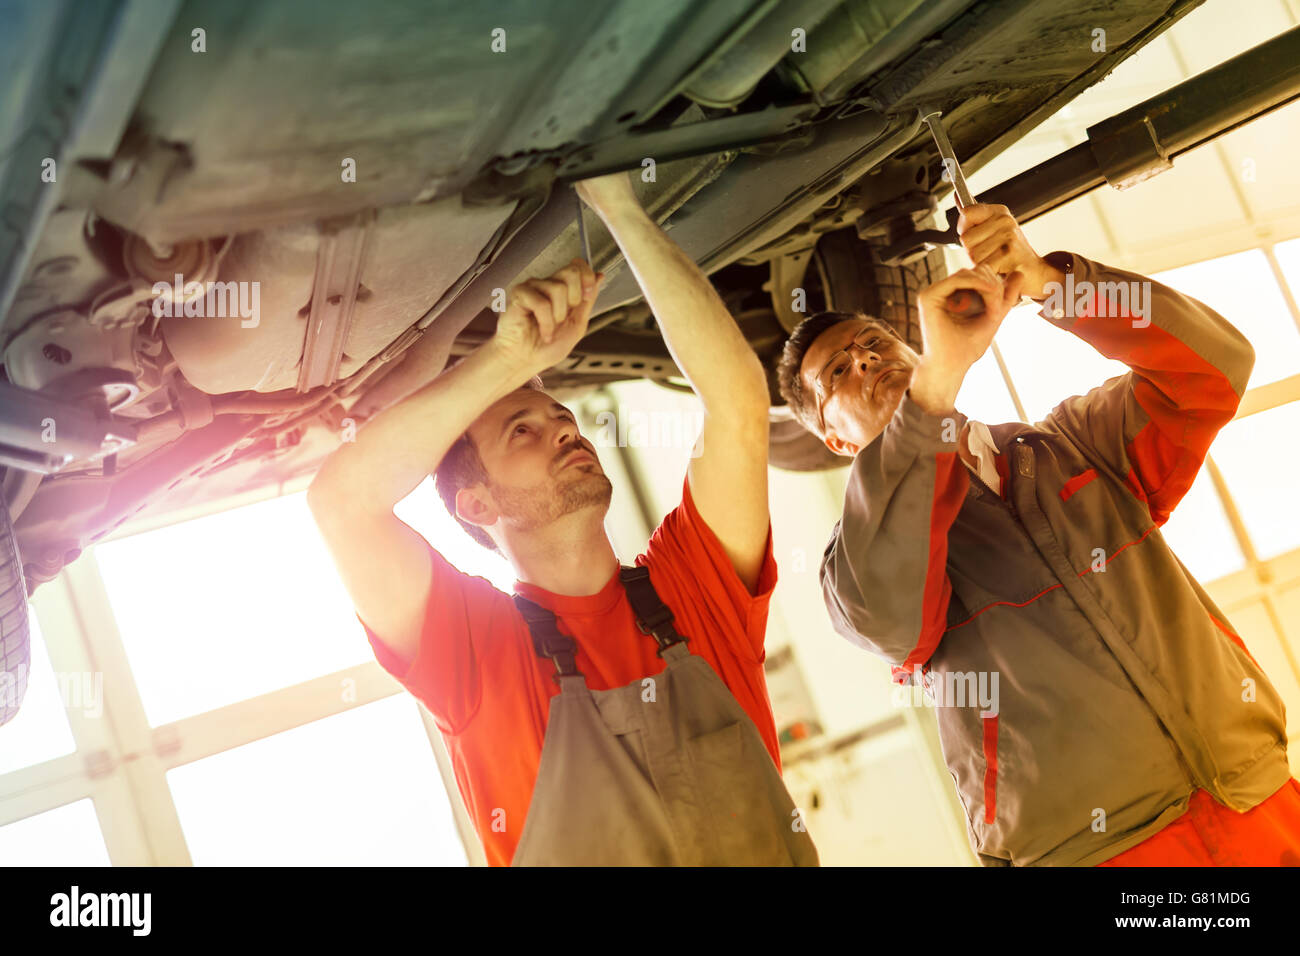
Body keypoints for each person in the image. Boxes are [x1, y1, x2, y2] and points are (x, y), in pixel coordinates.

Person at [309, 171, 818, 866]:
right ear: (477, 504)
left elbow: (737, 404)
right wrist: (507, 358)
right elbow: (341, 503)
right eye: (523, 431)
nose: (563, 431)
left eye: (561, 416)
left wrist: (618, 206)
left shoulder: (689, 590)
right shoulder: (478, 651)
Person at [777, 202, 1300, 866]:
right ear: (833, 439)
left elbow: (1216, 368)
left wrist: (1054, 283)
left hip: (1253, 792)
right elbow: (885, 614)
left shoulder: (1073, 446)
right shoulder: (856, 565)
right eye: (838, 373)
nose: (866, 360)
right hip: (1097, 852)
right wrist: (932, 394)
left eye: (876, 342)